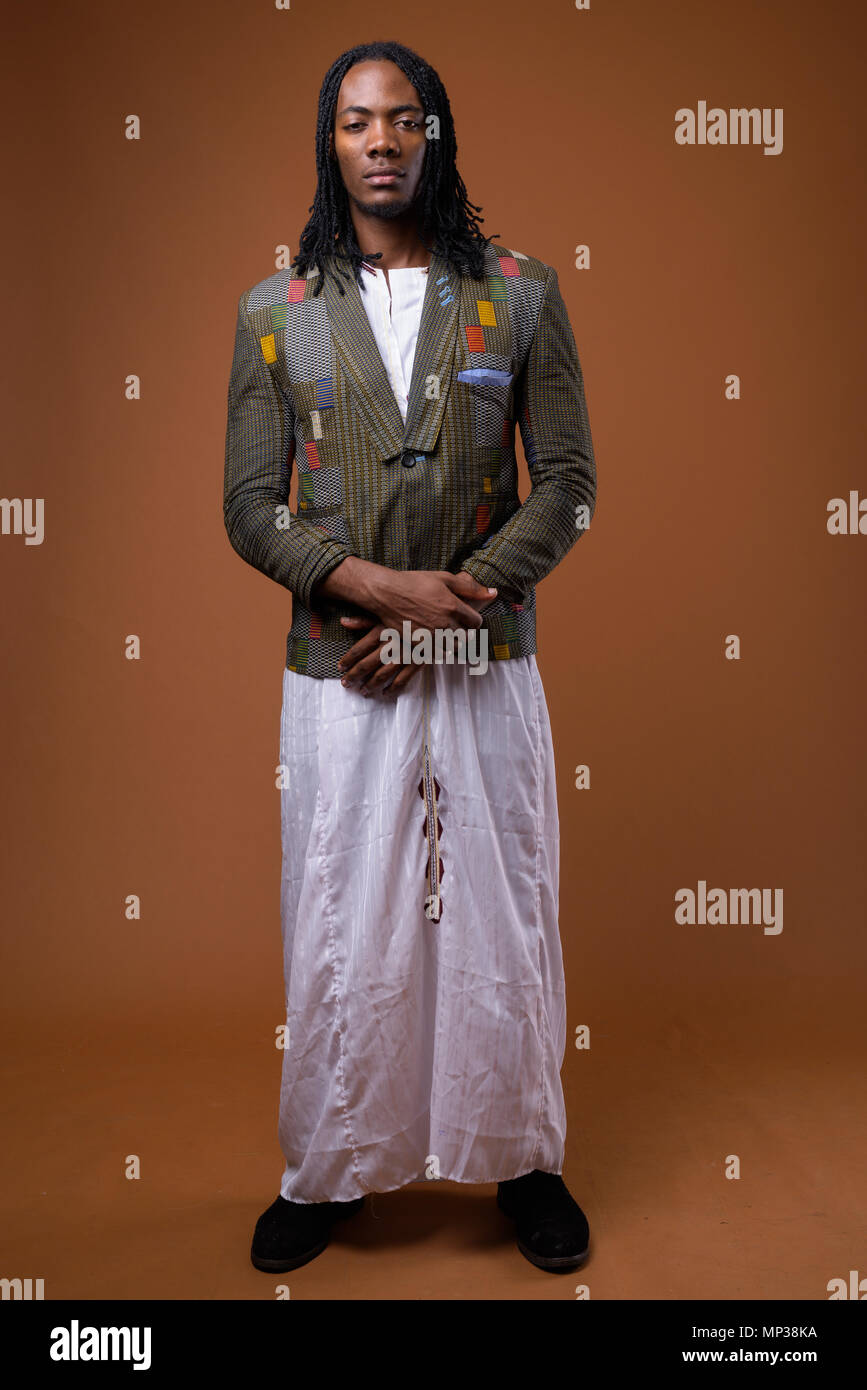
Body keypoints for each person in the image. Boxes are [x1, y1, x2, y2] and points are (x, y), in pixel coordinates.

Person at [223, 39, 597, 1275]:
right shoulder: (276, 312)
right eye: (354, 123)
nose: (380, 141)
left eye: (402, 120)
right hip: (341, 676)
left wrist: (448, 616)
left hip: (483, 661)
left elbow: (572, 488)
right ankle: (328, 1172)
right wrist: (368, 589)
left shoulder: (520, 291)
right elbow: (249, 507)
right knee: (342, 915)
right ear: (329, 146)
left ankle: (523, 1159)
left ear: (435, 136)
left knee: (504, 907)